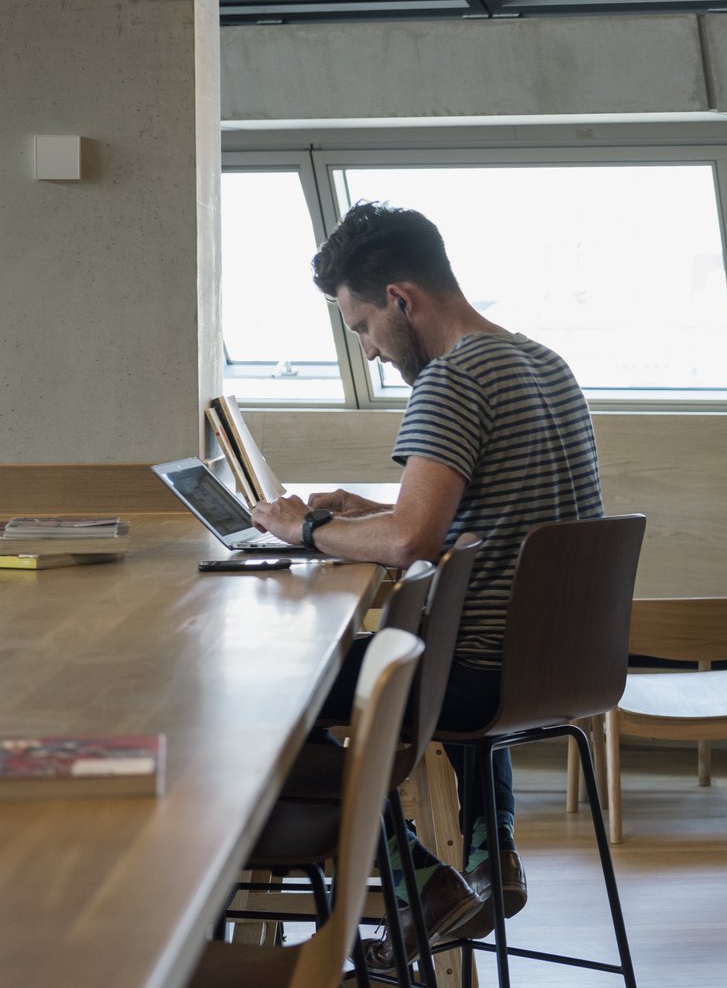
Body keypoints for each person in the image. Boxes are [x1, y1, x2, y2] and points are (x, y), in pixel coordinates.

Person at [251, 202, 603, 964]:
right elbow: (489, 511)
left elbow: (414, 541)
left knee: (276, 680)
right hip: (565, 666)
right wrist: (367, 508)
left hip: (481, 675)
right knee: (411, 644)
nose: (373, 351)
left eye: (363, 327)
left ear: (402, 298)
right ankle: (490, 849)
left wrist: (301, 529)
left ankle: (419, 880)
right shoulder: (543, 362)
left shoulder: (452, 379)